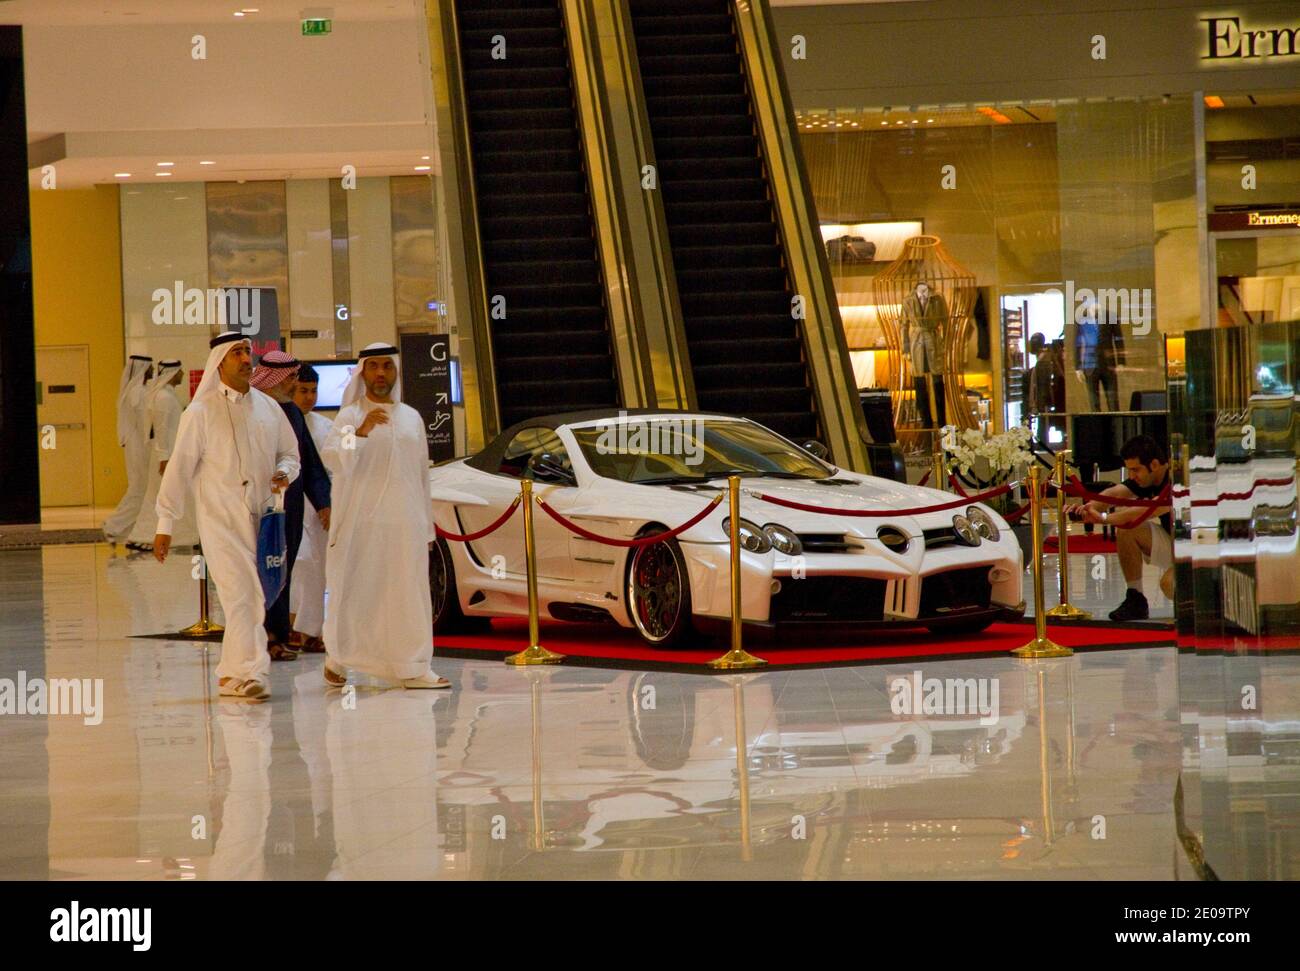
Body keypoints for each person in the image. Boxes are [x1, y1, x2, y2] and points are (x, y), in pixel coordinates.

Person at [153, 332, 301, 699]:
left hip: (264, 521)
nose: (245, 358)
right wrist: (165, 523)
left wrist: (284, 473)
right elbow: (179, 470)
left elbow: (291, 455)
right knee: (244, 596)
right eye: (237, 352)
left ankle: (231, 673)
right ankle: (252, 673)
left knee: (250, 599)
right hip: (220, 521)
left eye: (248, 351)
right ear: (220, 361)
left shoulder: (269, 408)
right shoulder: (199, 413)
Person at [319, 343, 449, 690]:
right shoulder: (348, 416)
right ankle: (339, 656)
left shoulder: (412, 417)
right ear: (363, 372)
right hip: (360, 525)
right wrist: (359, 433)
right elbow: (332, 459)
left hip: (405, 523)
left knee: (409, 593)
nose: (380, 374)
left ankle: (414, 664)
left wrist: (426, 525)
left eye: (386, 367)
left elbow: (421, 474)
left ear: (395, 372)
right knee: (356, 591)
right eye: (373, 367)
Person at [249, 351, 331, 661]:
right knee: (258, 570)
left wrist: (323, 502)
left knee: (281, 568)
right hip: (257, 505)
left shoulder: (292, 413)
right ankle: (261, 634)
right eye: (291, 379)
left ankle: (278, 635)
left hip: (291, 506)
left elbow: (308, 461)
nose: (295, 384)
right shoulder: (250, 410)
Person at [1072, 434, 1172, 621]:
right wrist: (1088, 508)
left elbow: (1147, 511)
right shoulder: (1148, 478)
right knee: (1126, 529)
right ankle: (1136, 598)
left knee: (1169, 584)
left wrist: (1104, 519)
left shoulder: (1176, 479)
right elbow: (1115, 493)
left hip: (1200, 548)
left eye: (1136, 470)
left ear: (1155, 465)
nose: (1132, 476)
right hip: (1176, 543)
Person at [126, 360, 198, 551]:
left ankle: (182, 534)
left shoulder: (166, 395)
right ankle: (144, 535)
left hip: (171, 453)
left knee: (169, 495)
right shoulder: (164, 398)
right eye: (180, 370)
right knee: (159, 497)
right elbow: (161, 429)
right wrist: (163, 458)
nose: (183, 373)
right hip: (167, 456)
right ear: (173, 373)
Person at [288, 365, 333, 653]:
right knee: (298, 566)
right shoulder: (281, 422)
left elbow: (328, 470)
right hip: (290, 506)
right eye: (303, 391)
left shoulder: (326, 426)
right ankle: (291, 627)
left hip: (318, 511)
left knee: (317, 571)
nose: (309, 397)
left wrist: (328, 503)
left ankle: (312, 632)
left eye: (313, 391)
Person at [102, 354, 153, 543]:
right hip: (138, 446)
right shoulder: (137, 393)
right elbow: (146, 422)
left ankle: (125, 530)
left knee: (141, 489)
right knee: (139, 489)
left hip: (138, 445)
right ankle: (113, 525)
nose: (153, 370)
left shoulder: (138, 390)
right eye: (150, 367)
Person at [900, 281, 948, 429]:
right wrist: (906, 348)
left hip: (933, 341)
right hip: (916, 343)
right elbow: (903, 325)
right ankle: (925, 420)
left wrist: (945, 344)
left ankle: (942, 422)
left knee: (937, 380)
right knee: (919, 380)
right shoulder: (908, 300)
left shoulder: (938, 299)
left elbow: (946, 322)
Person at [1073, 294, 1125, 412]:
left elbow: (1118, 339)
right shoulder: (1082, 319)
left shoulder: (1110, 316)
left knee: (1113, 401)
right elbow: (1078, 344)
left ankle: (1115, 428)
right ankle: (1097, 428)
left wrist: (1121, 361)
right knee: (1094, 403)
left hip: (1108, 365)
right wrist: (1078, 367)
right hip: (1089, 365)